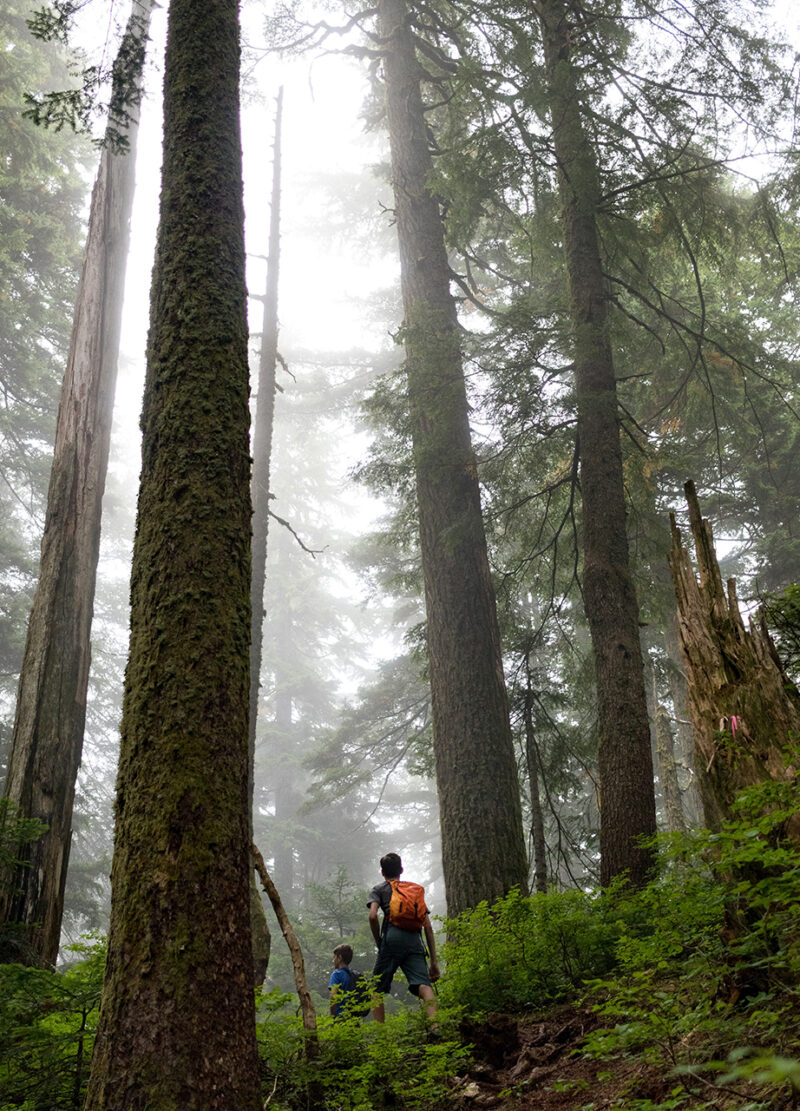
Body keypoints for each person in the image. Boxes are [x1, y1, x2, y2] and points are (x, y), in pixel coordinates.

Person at [367, 851, 440, 1024]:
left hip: (391, 937)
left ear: (382, 872)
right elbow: (427, 926)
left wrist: (380, 942)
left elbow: (372, 916)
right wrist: (434, 962)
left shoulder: (379, 889)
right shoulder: (413, 891)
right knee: (423, 985)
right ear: (401, 869)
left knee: (376, 989)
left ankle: (381, 1038)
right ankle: (436, 1026)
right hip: (414, 939)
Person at [328, 942, 356, 1019]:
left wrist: (332, 1017)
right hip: (354, 1018)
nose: (333, 961)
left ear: (339, 958)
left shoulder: (337, 974)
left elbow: (333, 997)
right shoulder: (354, 975)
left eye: (334, 957)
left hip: (341, 1017)